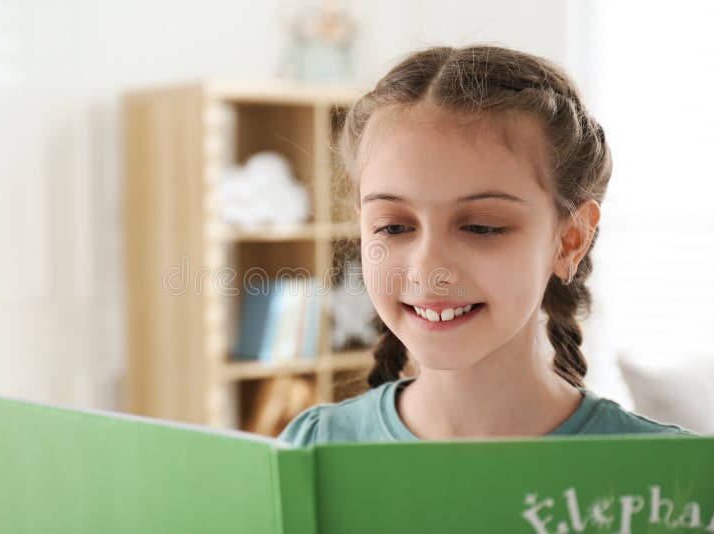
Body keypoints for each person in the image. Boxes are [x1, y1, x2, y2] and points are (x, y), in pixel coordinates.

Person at [277, 44, 696, 446]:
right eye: (393, 227)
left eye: (481, 227)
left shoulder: (671, 475)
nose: (428, 268)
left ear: (571, 239)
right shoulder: (311, 448)